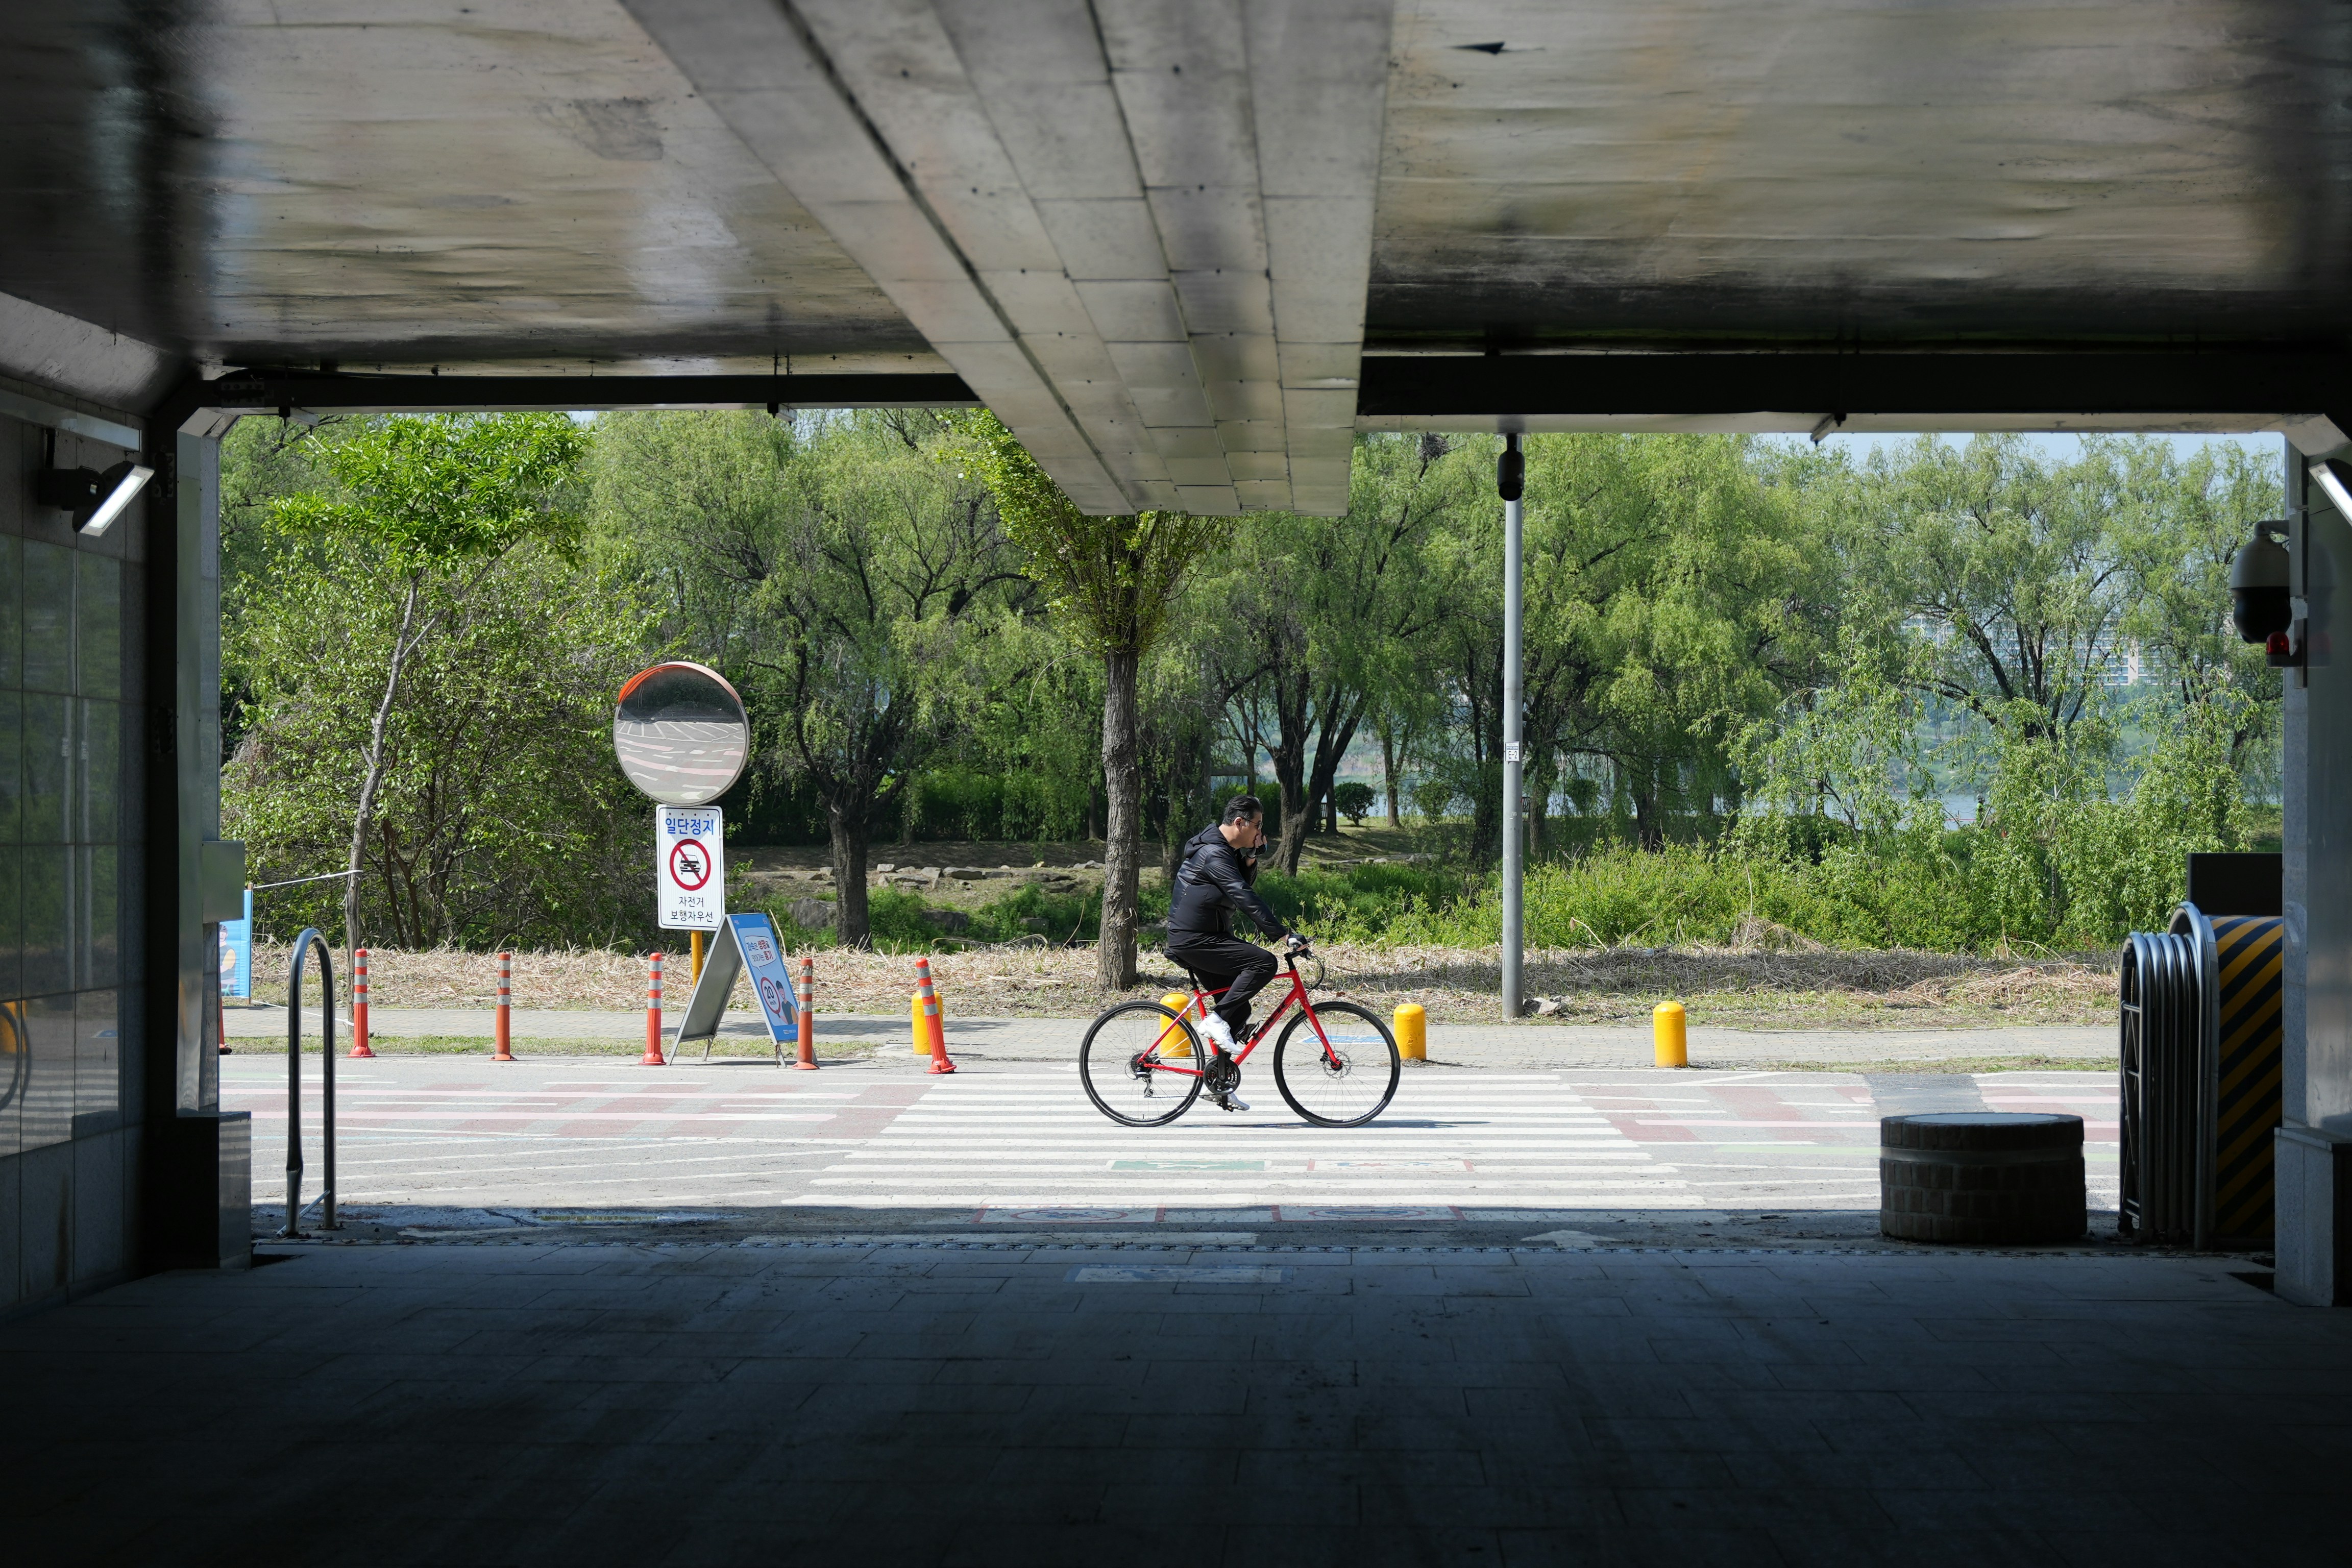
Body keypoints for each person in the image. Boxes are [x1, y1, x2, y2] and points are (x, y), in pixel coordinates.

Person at [1164, 794, 1307, 1111]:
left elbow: (1240, 882)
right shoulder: (1214, 853)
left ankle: (1219, 1084)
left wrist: (1252, 858)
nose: (1260, 831)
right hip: (1195, 939)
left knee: (1238, 1012)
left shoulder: (1226, 851)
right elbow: (1241, 894)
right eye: (1257, 825)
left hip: (1207, 936)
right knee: (1264, 962)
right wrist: (1282, 935)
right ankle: (1215, 1021)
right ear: (1239, 822)